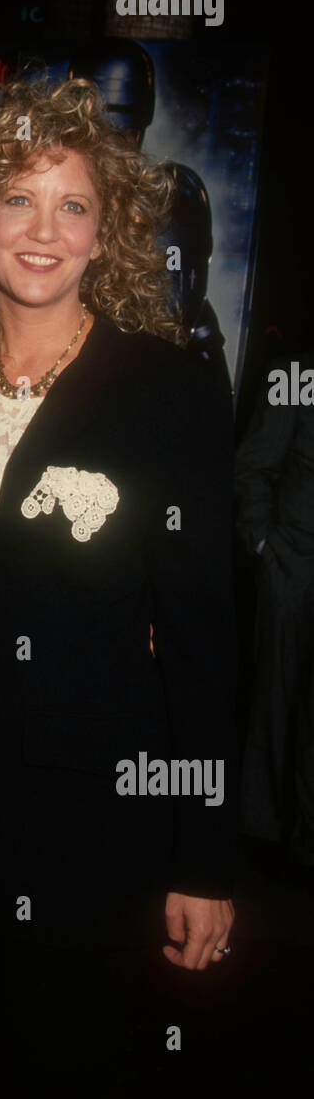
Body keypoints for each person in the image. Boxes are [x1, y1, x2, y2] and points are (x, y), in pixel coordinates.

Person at [0, 75, 238, 1099]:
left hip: (89, 826)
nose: (41, 231)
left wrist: (205, 856)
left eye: (71, 205)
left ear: (105, 235)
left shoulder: (164, 390)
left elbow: (201, 634)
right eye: (15, 200)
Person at [234, 350, 314, 865]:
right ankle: (263, 835)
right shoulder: (297, 376)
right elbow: (253, 466)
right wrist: (264, 545)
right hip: (296, 566)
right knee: (277, 702)